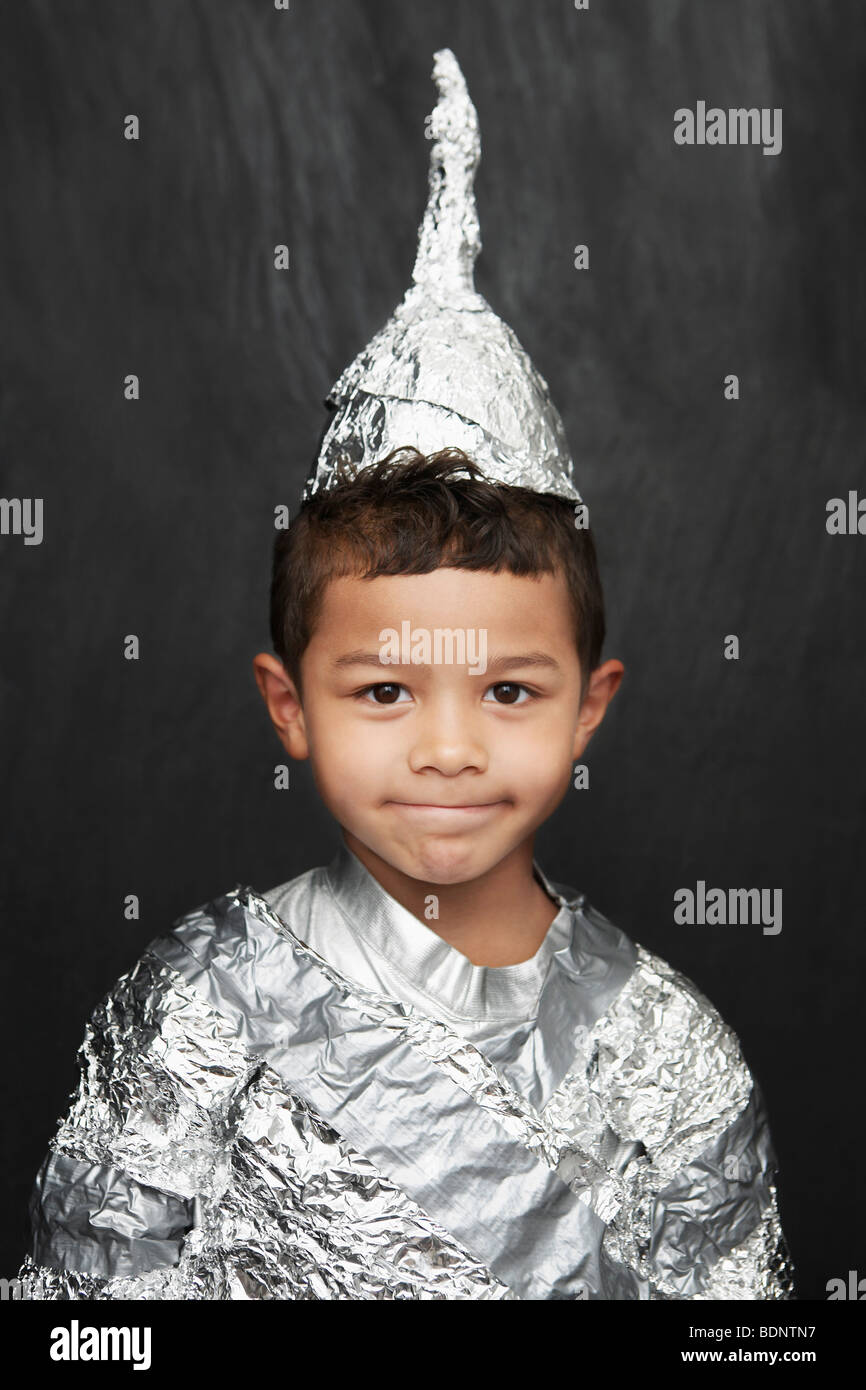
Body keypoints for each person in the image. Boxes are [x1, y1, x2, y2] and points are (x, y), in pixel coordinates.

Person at [17, 49, 795, 1301]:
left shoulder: (669, 1054)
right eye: (385, 690)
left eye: (507, 690)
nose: (448, 747)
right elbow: (75, 1328)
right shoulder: (200, 1014)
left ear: (589, 707)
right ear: (291, 706)